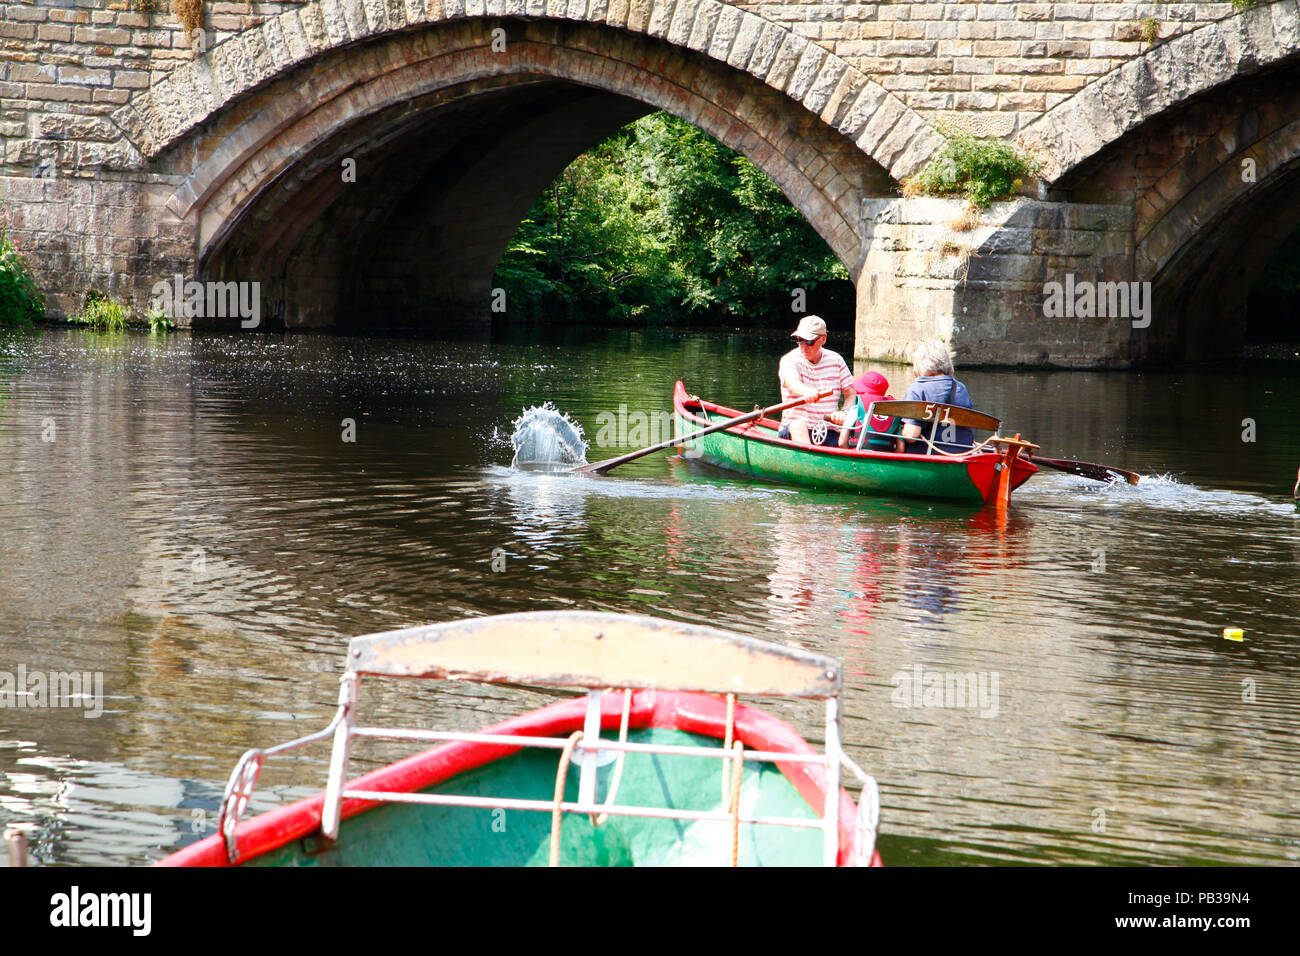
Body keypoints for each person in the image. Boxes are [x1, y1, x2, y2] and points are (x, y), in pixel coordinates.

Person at [777, 315, 854, 446]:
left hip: (827, 431)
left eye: (809, 342)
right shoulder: (789, 360)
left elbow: (851, 393)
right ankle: (808, 461)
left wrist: (844, 412)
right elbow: (791, 383)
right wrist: (806, 391)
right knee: (798, 424)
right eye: (800, 340)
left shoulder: (836, 360)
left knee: (846, 435)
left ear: (823, 339)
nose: (804, 346)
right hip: (795, 431)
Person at [900, 341, 975, 454]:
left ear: (919, 364)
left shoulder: (918, 388)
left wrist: (900, 432)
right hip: (960, 454)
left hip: (927, 454)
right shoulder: (960, 388)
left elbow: (911, 436)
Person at [828, 371, 903, 450]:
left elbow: (842, 442)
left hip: (858, 457)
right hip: (885, 458)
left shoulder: (856, 408)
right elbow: (900, 448)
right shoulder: (895, 410)